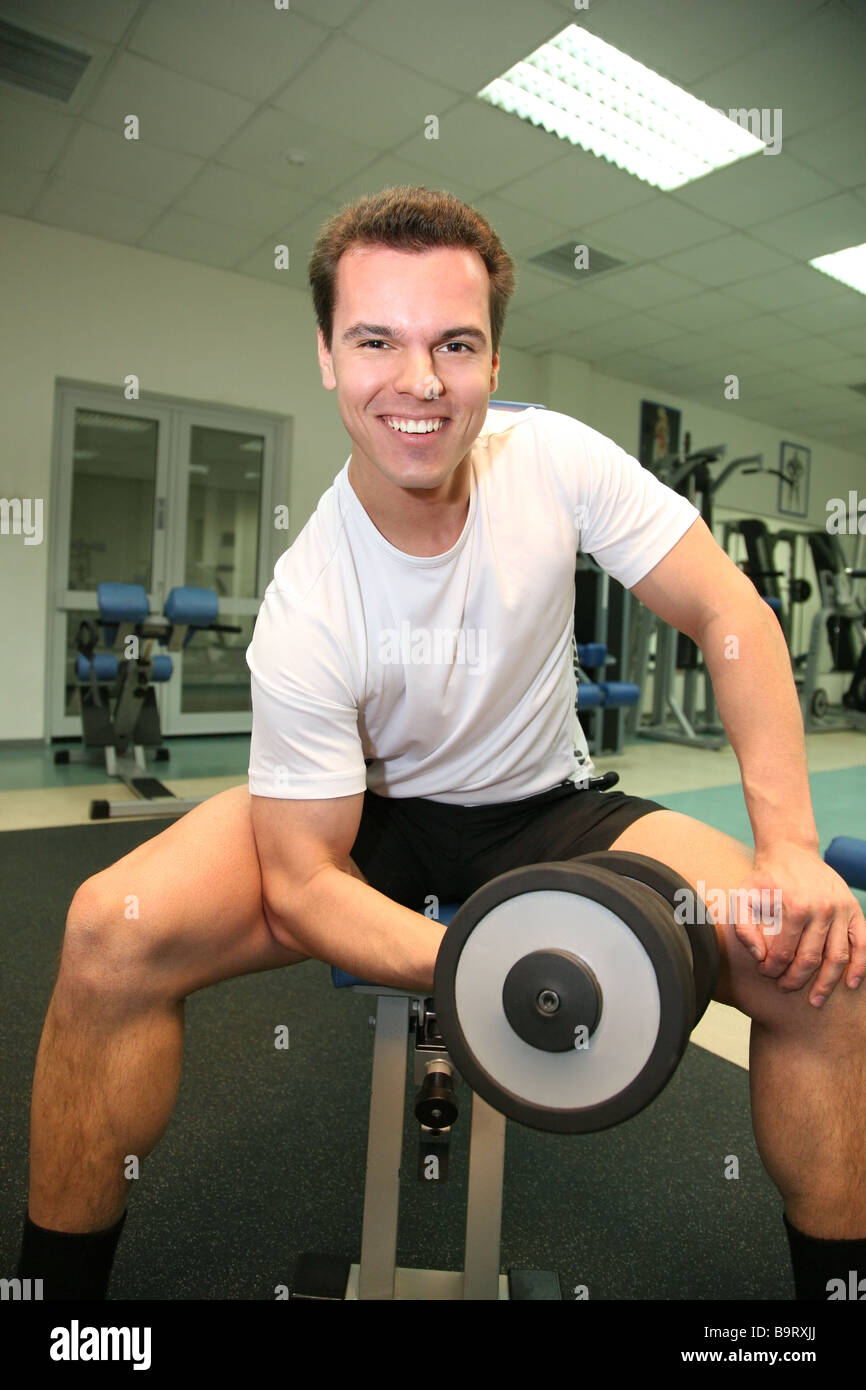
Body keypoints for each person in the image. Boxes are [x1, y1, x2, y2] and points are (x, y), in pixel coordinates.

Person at [17, 186, 866, 1302]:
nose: (417, 383)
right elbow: (305, 879)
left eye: (453, 344)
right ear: (327, 354)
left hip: (551, 803)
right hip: (364, 813)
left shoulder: (554, 461)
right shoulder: (308, 598)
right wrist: (478, 962)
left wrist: (789, 849)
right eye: (376, 340)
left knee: (823, 976)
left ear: (493, 359)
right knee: (104, 936)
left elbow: (732, 617)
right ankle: (53, 1313)